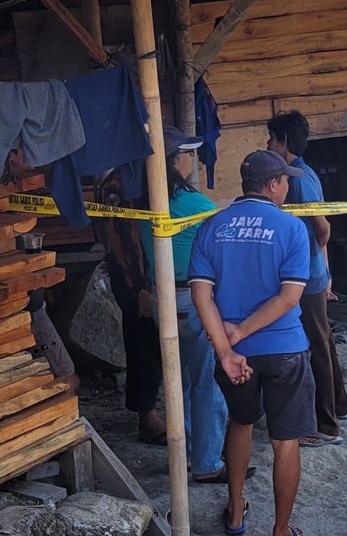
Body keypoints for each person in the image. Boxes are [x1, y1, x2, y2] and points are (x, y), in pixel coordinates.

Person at [188, 150, 317, 536]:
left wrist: (227, 347)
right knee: (286, 442)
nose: (287, 188)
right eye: (285, 182)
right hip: (284, 349)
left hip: (235, 355)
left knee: (240, 423)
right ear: (275, 184)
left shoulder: (211, 226)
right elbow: (290, 296)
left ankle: (234, 512)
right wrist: (242, 330)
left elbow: (200, 293)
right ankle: (280, 534)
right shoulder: (293, 229)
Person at [139, 126, 247, 484]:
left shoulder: (146, 200)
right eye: (187, 154)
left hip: (161, 297)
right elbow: (227, 243)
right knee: (207, 382)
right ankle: (207, 462)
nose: (191, 160)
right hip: (191, 297)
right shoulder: (194, 203)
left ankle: (184, 454)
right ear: (173, 160)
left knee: (179, 381)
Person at [267, 111, 347, 448]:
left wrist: (320, 263)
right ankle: (339, 408)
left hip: (306, 274)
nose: (268, 144)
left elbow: (323, 225)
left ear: (284, 142)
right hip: (310, 271)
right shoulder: (297, 173)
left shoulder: (299, 178)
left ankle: (326, 426)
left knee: (316, 345)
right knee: (323, 340)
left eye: (271, 138)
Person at [98, 169, 165, 445]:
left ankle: (146, 410)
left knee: (144, 346)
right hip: (134, 279)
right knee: (145, 347)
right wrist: (141, 287)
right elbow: (123, 238)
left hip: (138, 276)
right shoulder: (122, 183)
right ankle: (147, 416)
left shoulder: (135, 178)